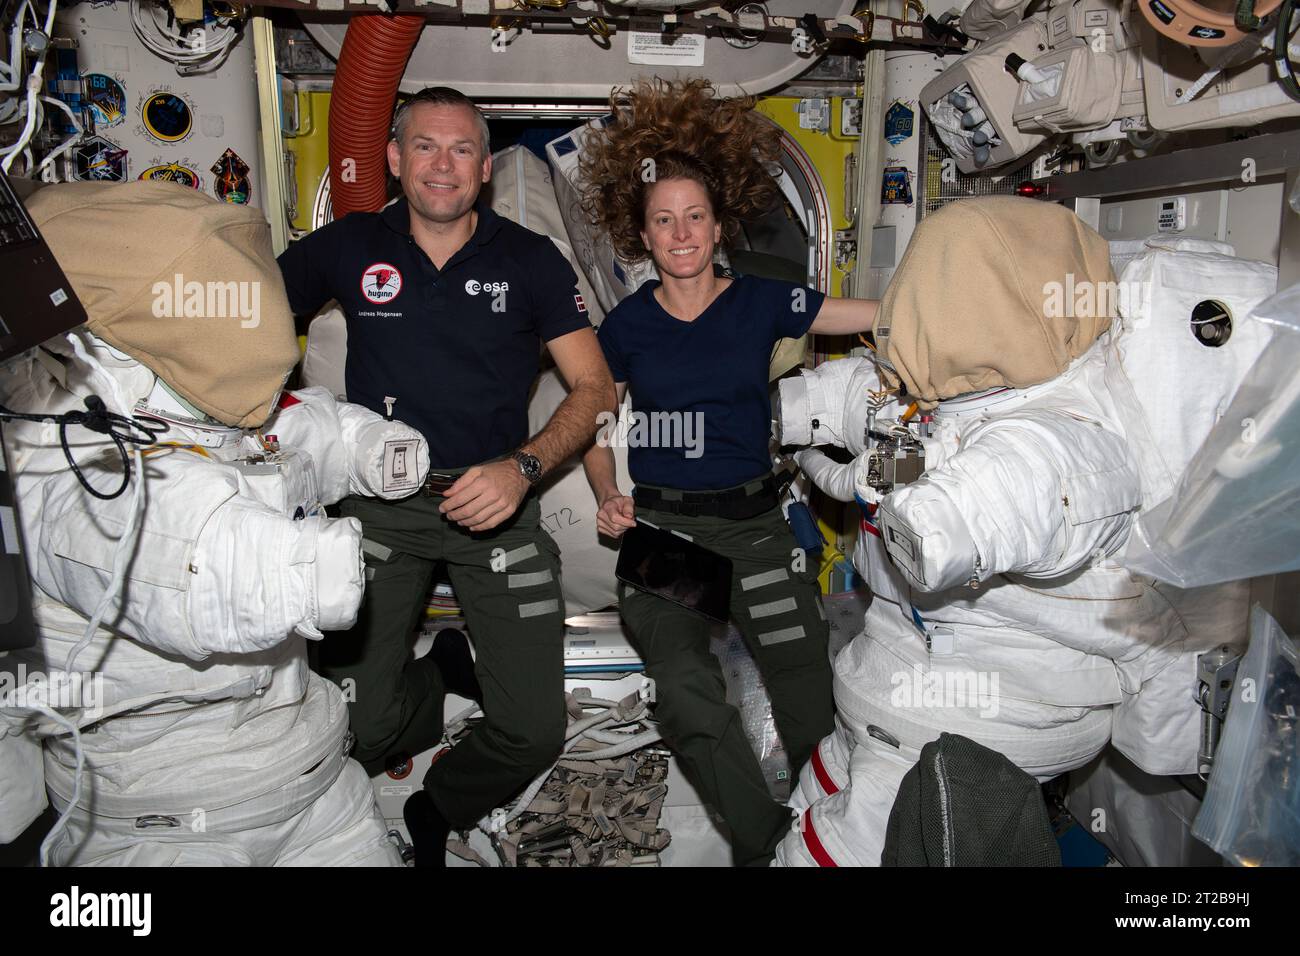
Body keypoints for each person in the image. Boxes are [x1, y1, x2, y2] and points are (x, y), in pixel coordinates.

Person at [771, 196, 1259, 866]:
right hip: (894, 687)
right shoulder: (949, 398)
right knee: (818, 792)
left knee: (838, 849)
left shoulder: (1064, 432)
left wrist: (940, 522)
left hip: (970, 719)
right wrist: (790, 410)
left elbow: (1023, 489)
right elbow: (871, 399)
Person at [0, 179, 420, 865]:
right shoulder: (64, 463)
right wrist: (275, 571)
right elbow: (161, 550)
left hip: (313, 783)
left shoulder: (211, 414)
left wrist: (367, 446)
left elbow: (297, 432)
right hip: (171, 823)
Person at [276, 87, 617, 866]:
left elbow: (595, 390)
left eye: (461, 149)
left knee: (533, 731)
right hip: (377, 501)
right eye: (424, 146)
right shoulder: (347, 246)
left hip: (496, 499)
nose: (442, 164)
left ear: (485, 167)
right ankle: (437, 681)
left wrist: (522, 468)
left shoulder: (529, 260)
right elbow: (258, 329)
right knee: (352, 731)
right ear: (394, 159)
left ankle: (441, 804)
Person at [578, 79, 880, 866]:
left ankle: (835, 833)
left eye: (695, 217)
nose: (681, 232)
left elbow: (864, 314)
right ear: (642, 234)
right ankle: (769, 845)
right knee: (686, 695)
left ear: (718, 227)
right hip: (670, 537)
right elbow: (596, 422)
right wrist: (609, 493)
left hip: (754, 531)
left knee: (810, 692)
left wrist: (945, 308)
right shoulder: (630, 324)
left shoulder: (762, 303)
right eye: (663, 219)